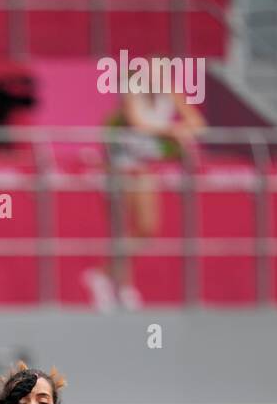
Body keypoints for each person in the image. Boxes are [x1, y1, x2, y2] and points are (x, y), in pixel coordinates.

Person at [85, 74, 204, 310]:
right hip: (121, 166)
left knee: (146, 229)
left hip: (145, 167)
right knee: (123, 229)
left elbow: (197, 124)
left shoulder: (170, 93)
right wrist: (174, 131)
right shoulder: (133, 94)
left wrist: (176, 127)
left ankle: (103, 274)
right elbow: (137, 122)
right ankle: (122, 287)